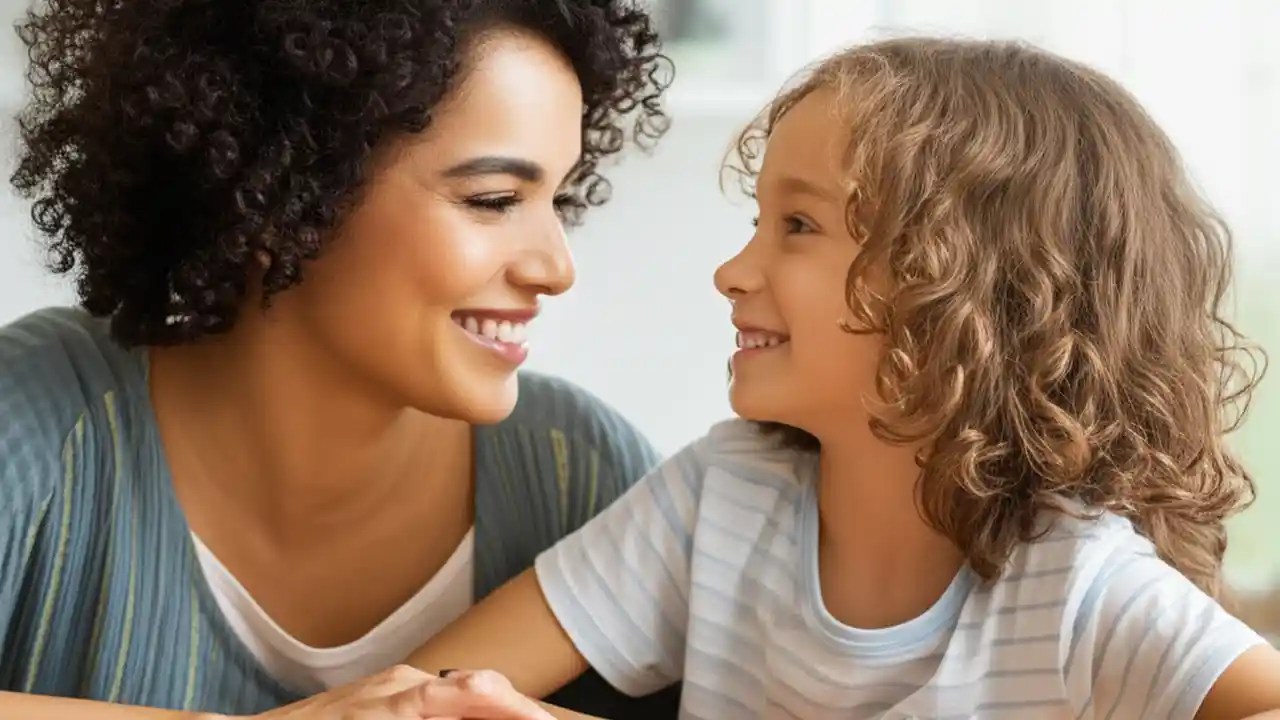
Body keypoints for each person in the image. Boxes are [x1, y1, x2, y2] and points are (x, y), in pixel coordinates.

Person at [404, 37, 1280, 719]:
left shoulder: (1078, 586)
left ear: (964, 289)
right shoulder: (723, 499)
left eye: (798, 224)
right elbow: (428, 694)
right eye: (759, 220)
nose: (733, 272)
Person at [0, 1, 680, 718]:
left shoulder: (586, 479)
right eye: (493, 199)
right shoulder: (32, 428)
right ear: (279, 191)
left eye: (558, 198)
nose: (556, 267)